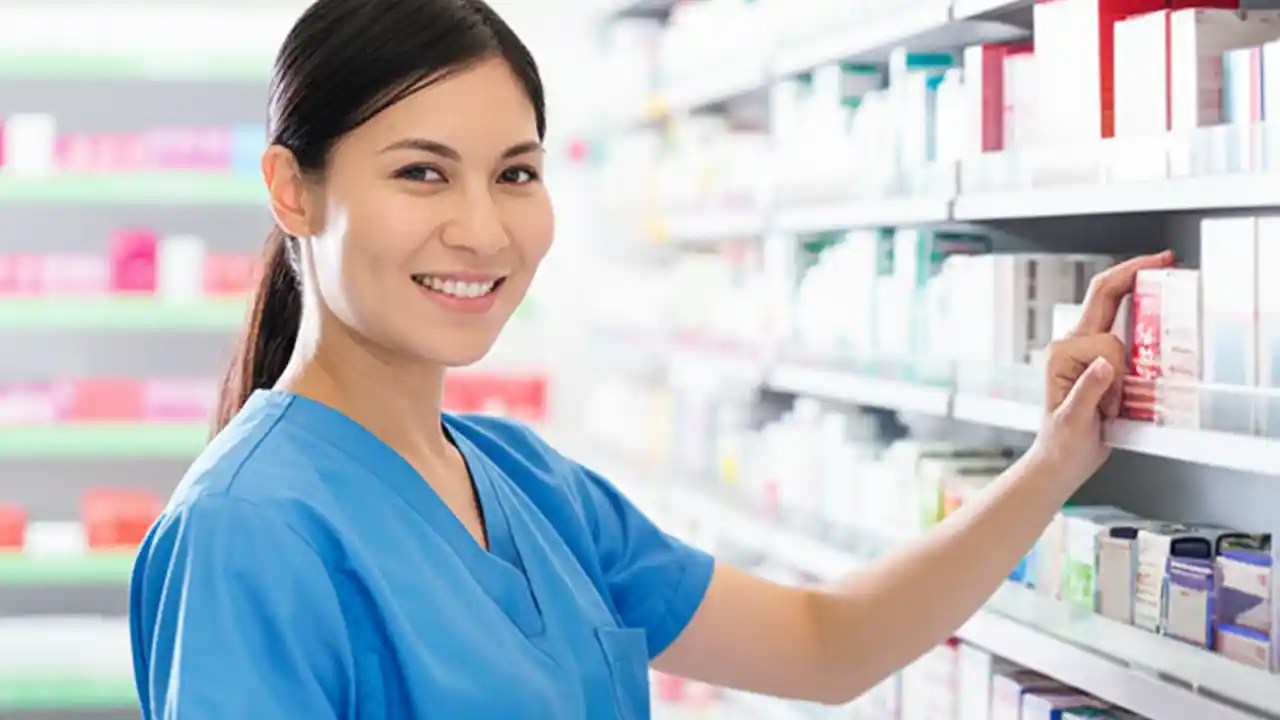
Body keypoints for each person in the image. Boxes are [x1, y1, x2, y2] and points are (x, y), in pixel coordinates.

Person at [127, 0, 1174, 717]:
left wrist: (1053, 462)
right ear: (293, 190)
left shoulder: (526, 482)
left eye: (515, 173)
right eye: (421, 173)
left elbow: (824, 643)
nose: (482, 231)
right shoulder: (246, 532)